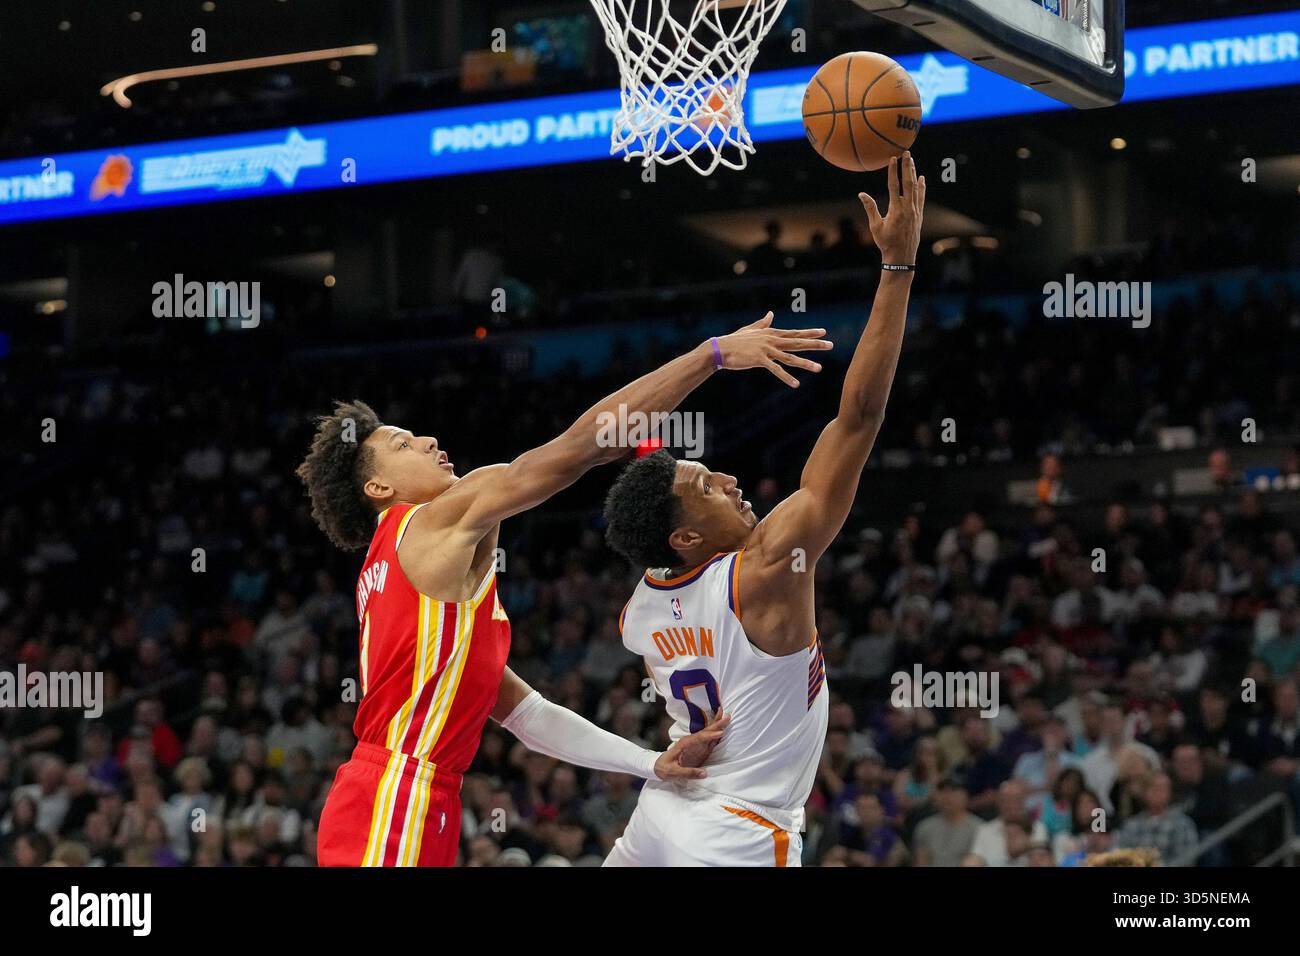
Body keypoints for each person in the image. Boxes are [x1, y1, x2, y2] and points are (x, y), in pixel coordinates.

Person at [297, 312, 831, 866]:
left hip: (400, 793)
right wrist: (710, 356)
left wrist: (650, 763)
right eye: (404, 445)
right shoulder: (430, 522)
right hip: (395, 797)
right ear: (379, 487)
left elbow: (528, 716)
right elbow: (586, 446)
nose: (429, 440)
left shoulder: (403, 577)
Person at [600, 156, 926, 866]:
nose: (727, 475)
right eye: (706, 484)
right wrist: (897, 268)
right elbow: (860, 418)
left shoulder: (639, 609)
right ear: (684, 535)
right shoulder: (768, 566)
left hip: (661, 817)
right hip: (737, 831)